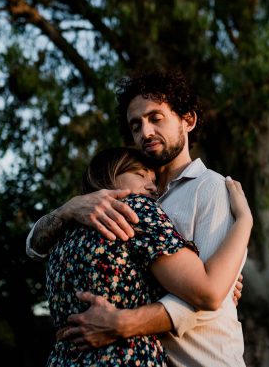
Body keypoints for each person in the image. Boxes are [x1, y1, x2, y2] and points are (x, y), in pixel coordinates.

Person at [27, 71, 248, 366]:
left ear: (188, 120)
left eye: (156, 118)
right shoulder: (133, 197)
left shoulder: (209, 187)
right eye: (136, 125)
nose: (145, 133)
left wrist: (123, 322)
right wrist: (68, 209)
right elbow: (34, 246)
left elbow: (210, 296)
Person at [46, 147, 251, 366]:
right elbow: (208, 291)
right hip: (123, 358)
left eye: (153, 179)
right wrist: (244, 221)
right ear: (110, 175)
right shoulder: (135, 210)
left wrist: (231, 279)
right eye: (140, 174)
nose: (152, 187)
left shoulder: (63, 235)